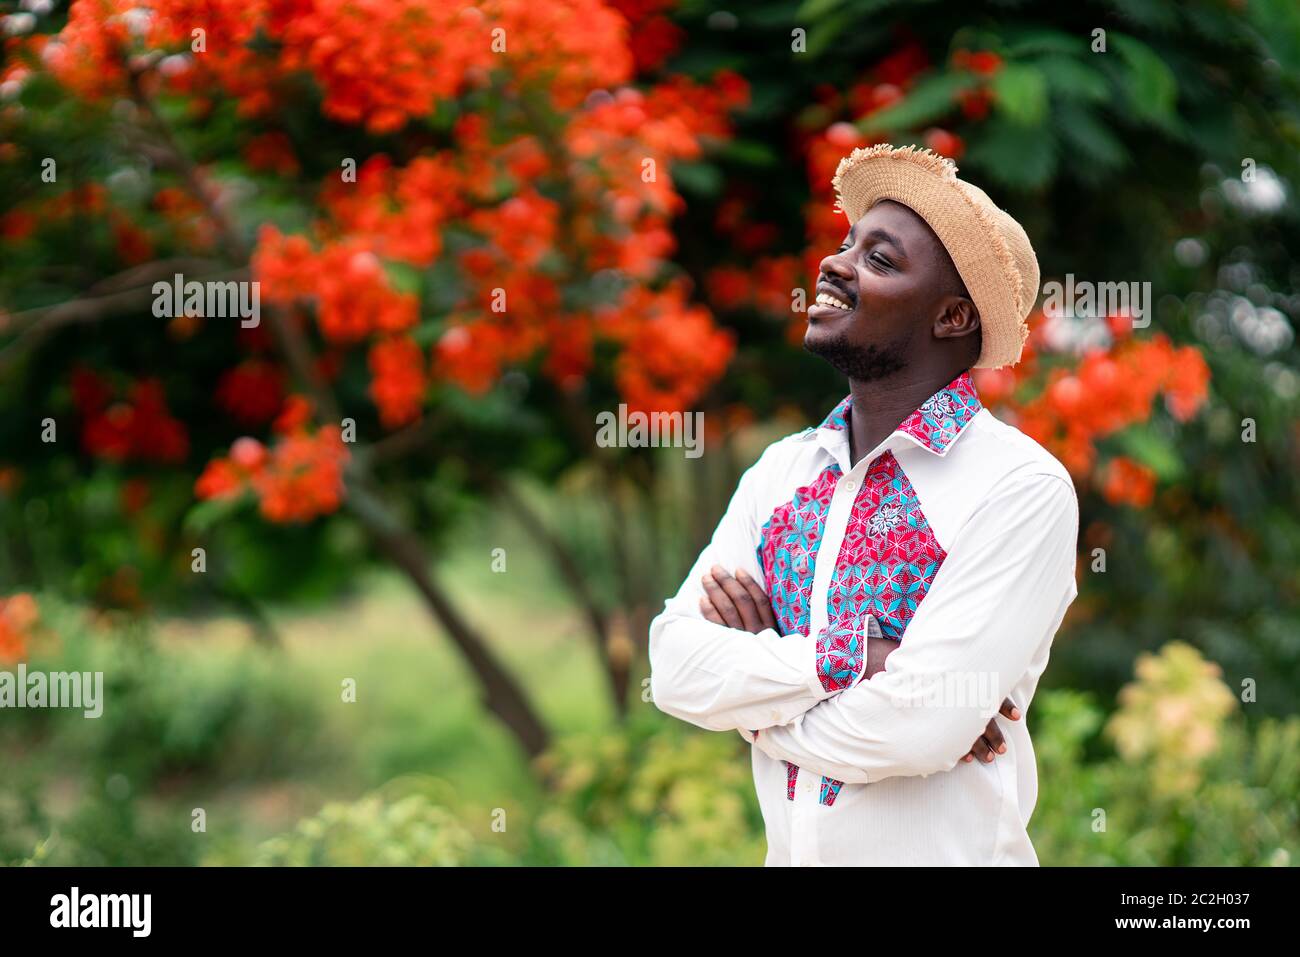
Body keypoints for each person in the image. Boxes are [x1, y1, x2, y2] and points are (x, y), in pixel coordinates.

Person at [648, 144, 1080, 866]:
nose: (834, 264)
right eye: (847, 244)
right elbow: (675, 667)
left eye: (879, 260)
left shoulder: (1019, 488)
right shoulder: (782, 473)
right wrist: (856, 658)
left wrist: (750, 713)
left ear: (950, 317)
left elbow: (917, 729)